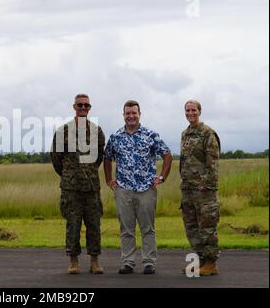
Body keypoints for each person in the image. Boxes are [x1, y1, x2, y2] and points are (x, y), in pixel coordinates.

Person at [104, 100, 172, 275]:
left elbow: (166, 154)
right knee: (126, 228)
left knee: (147, 228)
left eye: (134, 113)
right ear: (123, 115)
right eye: (128, 113)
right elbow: (107, 157)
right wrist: (109, 179)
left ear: (139, 114)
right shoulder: (116, 136)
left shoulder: (151, 135)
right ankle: (128, 262)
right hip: (123, 189)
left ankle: (149, 262)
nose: (131, 116)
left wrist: (162, 177)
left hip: (146, 189)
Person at [50, 94, 105, 274]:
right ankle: (73, 261)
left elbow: (99, 158)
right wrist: (69, 175)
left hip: (91, 188)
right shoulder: (62, 131)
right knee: (73, 226)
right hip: (71, 189)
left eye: (86, 105)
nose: (83, 108)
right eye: (79, 105)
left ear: (90, 108)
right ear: (74, 106)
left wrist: (87, 172)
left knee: (94, 225)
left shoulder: (97, 132)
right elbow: (56, 159)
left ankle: (94, 261)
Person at [180, 100, 221, 276]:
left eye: (193, 110)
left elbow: (212, 164)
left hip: (204, 191)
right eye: (188, 110)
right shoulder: (185, 134)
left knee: (206, 227)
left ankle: (211, 263)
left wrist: (207, 185)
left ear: (199, 111)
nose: (191, 113)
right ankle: (200, 261)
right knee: (191, 227)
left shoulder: (207, 133)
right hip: (188, 189)